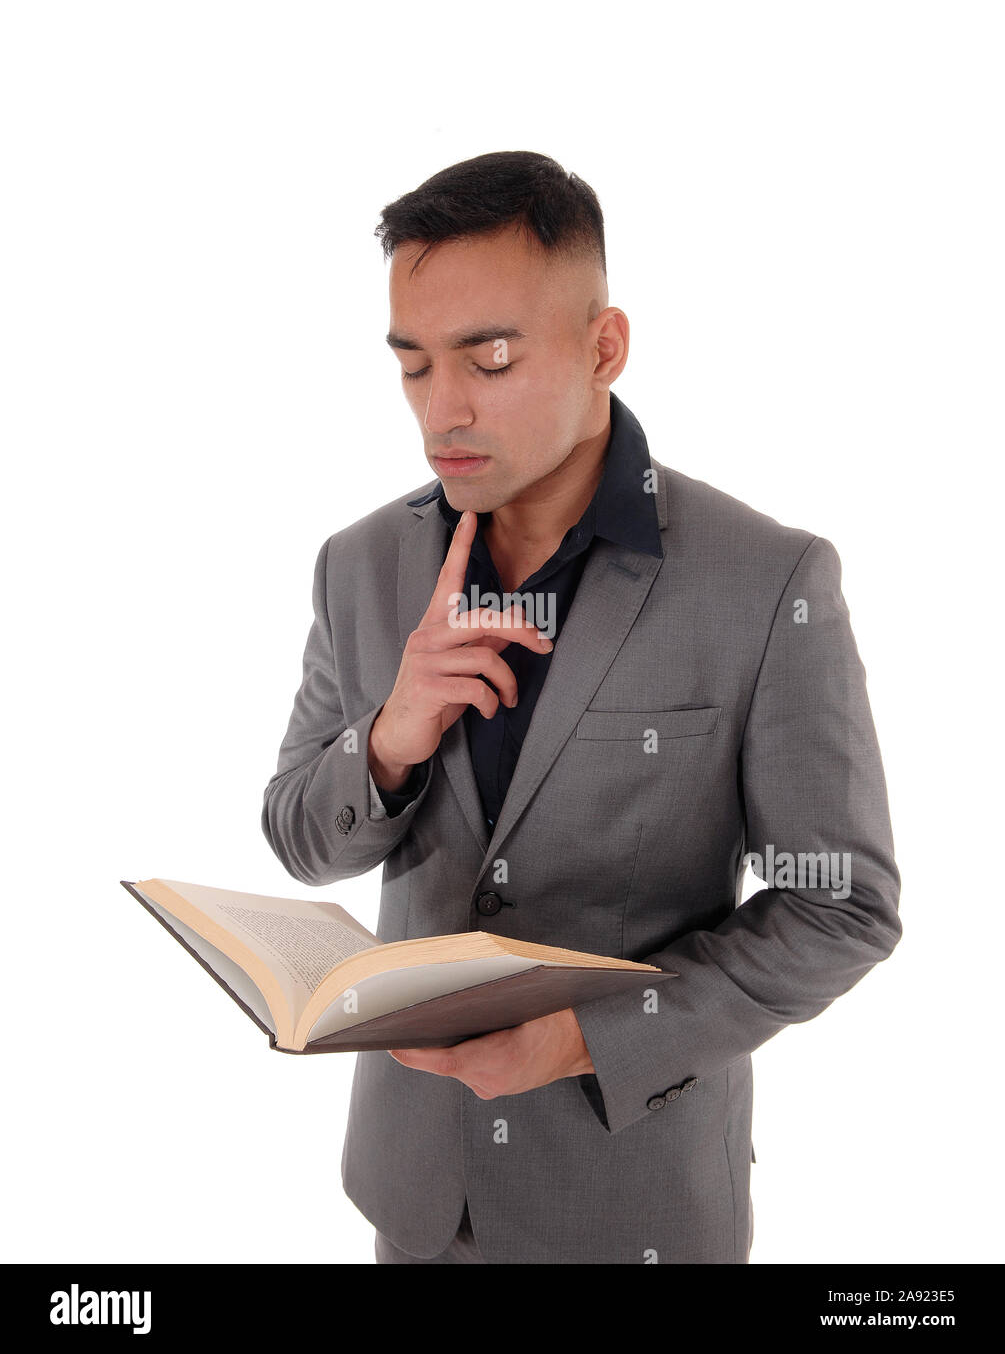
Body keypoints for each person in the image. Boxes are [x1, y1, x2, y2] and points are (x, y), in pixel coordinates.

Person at [261, 150, 902, 1264]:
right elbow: (297, 837)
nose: (441, 410)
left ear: (604, 346)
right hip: (415, 1199)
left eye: (489, 358)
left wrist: (584, 1039)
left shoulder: (766, 583)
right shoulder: (357, 564)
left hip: (635, 1207)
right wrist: (388, 742)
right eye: (412, 365)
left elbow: (842, 907)